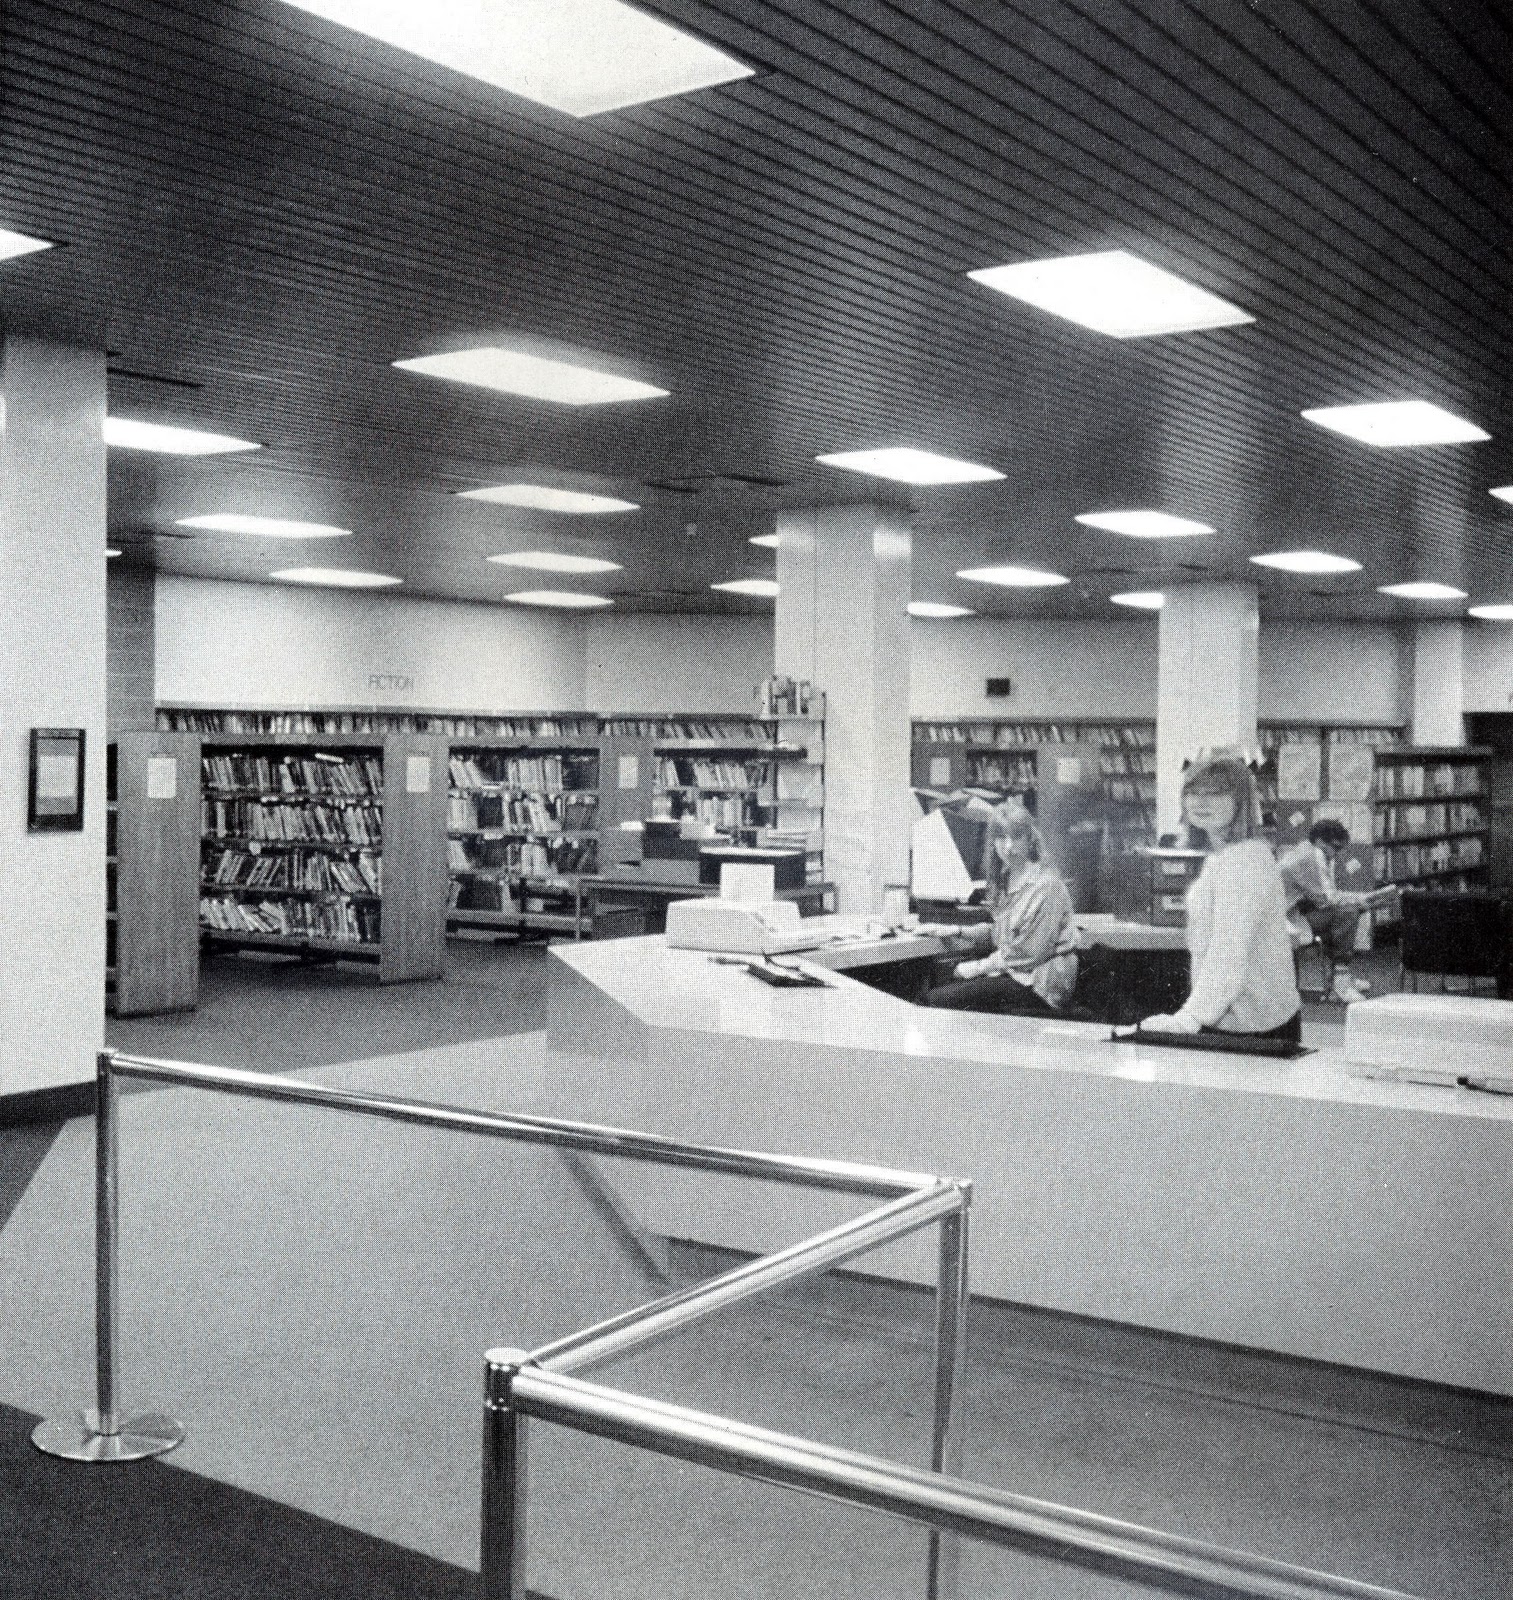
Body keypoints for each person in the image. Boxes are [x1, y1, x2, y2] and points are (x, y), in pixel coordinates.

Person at [1141, 753, 1301, 1041]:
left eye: (1216, 794)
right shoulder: (1224, 856)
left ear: (1240, 803)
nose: (1201, 802)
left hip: (1254, 1024)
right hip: (1237, 1015)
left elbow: (1229, 947)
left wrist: (1192, 1017)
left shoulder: (1244, 860)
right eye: (1193, 792)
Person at [923, 799, 1078, 1015]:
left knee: (935, 1000)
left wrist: (975, 968)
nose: (1008, 846)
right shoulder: (1007, 879)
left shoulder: (1046, 885)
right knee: (936, 984)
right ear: (993, 842)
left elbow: (1027, 954)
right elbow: (1003, 935)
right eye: (1001, 837)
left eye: (1016, 837)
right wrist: (958, 932)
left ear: (1030, 840)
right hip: (1016, 974)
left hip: (1040, 984)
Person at [1277, 820, 1374, 1004]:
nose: (1336, 855)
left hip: (1292, 914)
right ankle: (1340, 983)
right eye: (1335, 848)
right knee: (1348, 912)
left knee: (1344, 916)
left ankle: (1340, 977)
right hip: (1285, 921)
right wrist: (1361, 898)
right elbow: (1327, 900)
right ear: (1321, 842)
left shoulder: (1304, 850)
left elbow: (1324, 897)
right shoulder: (1311, 857)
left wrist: (1359, 897)